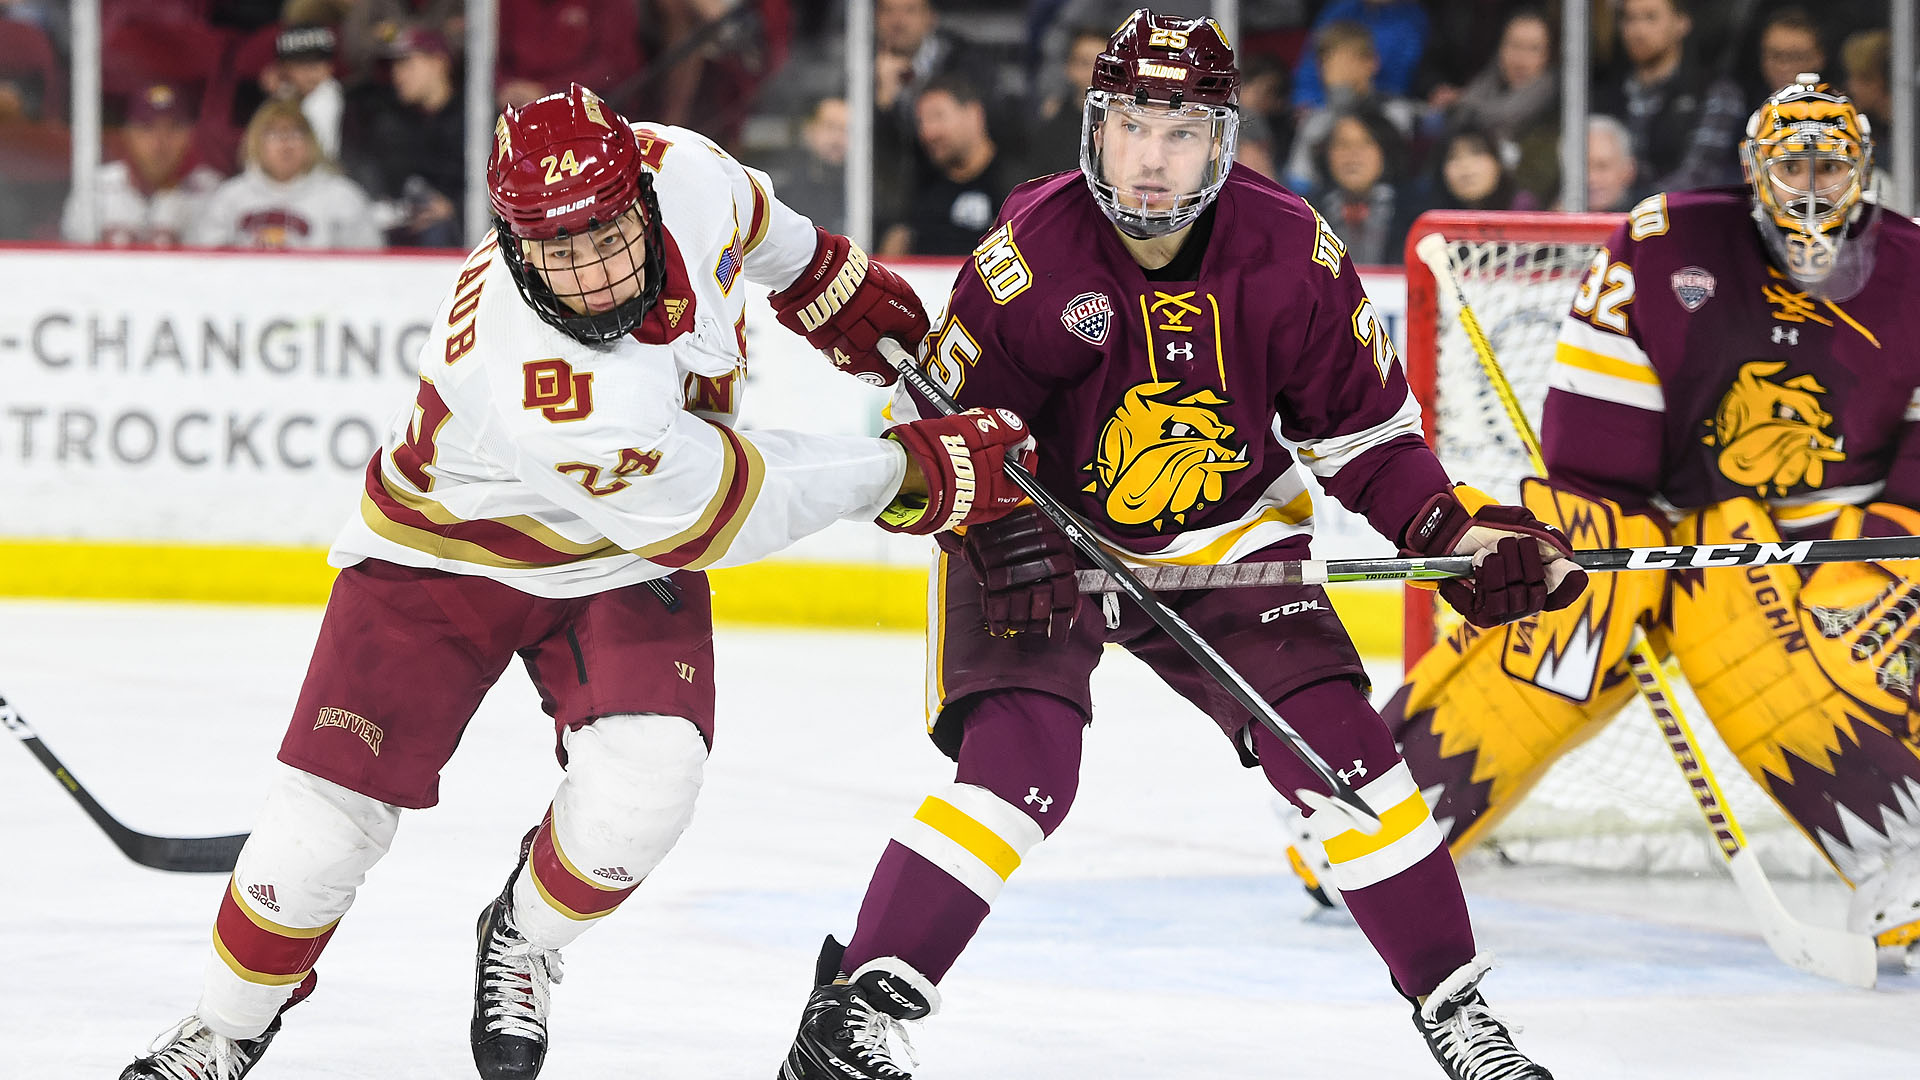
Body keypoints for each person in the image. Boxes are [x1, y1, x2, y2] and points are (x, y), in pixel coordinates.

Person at [118, 82, 1036, 1080]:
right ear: (516, 246)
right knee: (317, 836)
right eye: (558, 252)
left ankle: (522, 937)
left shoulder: (681, 167)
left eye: (606, 235)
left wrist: (829, 280)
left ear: (641, 191)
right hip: (445, 553)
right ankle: (224, 1027)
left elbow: (760, 223)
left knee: (648, 788)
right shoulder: (544, 385)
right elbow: (731, 502)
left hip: (619, 556)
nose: (592, 276)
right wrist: (908, 472)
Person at [777, 12, 1585, 1080]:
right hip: (1043, 538)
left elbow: (1368, 440)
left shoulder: (1292, 254)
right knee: (1020, 774)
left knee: (1349, 764)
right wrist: (995, 527)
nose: (1151, 159)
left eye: (1181, 133)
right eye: (1132, 128)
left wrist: (1453, 531)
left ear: (1222, 143)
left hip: (1229, 539)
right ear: (1095, 130)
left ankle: (1458, 1012)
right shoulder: (1028, 259)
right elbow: (931, 437)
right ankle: (850, 1015)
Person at [1338, 75, 1920, 968]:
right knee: (1575, 587)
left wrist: (1874, 554)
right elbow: (1595, 460)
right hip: (1670, 521)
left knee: (1842, 615)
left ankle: (1901, 846)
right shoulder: (1664, 242)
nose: (1810, 189)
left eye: (1830, 168)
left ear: (1866, 171)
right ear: (1752, 169)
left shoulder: (1914, 267)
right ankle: (1378, 818)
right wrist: (1628, 545)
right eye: (1792, 165)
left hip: (1845, 536)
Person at [1591, 0, 1743, 193]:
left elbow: (1699, 176)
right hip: (1612, 209)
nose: (1638, 30)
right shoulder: (1606, 95)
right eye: (1629, 19)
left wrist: (1638, 204)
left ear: (1682, 22)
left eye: (1650, 17)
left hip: (1676, 209)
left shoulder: (1714, 92)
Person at [190, 99, 383, 249]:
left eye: (295, 134)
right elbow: (205, 263)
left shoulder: (341, 196)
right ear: (256, 142)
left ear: (311, 143)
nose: (286, 144)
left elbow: (368, 263)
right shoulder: (229, 197)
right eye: (274, 134)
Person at [342, 25, 465, 246]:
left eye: (406, 63)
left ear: (439, 62)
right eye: (393, 66)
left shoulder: (475, 118)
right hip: (397, 230)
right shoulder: (386, 119)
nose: (396, 75)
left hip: (463, 236)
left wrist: (455, 207)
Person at [61, 82, 222, 246]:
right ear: (127, 134)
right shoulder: (96, 188)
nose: (160, 143)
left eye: (174, 128)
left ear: (190, 135)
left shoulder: (211, 191)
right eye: (147, 128)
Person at [880, 73, 1019, 256]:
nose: (928, 131)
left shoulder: (1016, 187)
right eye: (921, 122)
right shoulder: (921, 184)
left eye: (938, 117)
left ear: (974, 114)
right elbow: (895, 244)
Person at [1307, 105, 1410, 266]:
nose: (1352, 154)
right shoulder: (1306, 212)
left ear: (1386, 150)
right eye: (1342, 144)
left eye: (1366, 143)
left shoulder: (1414, 211)